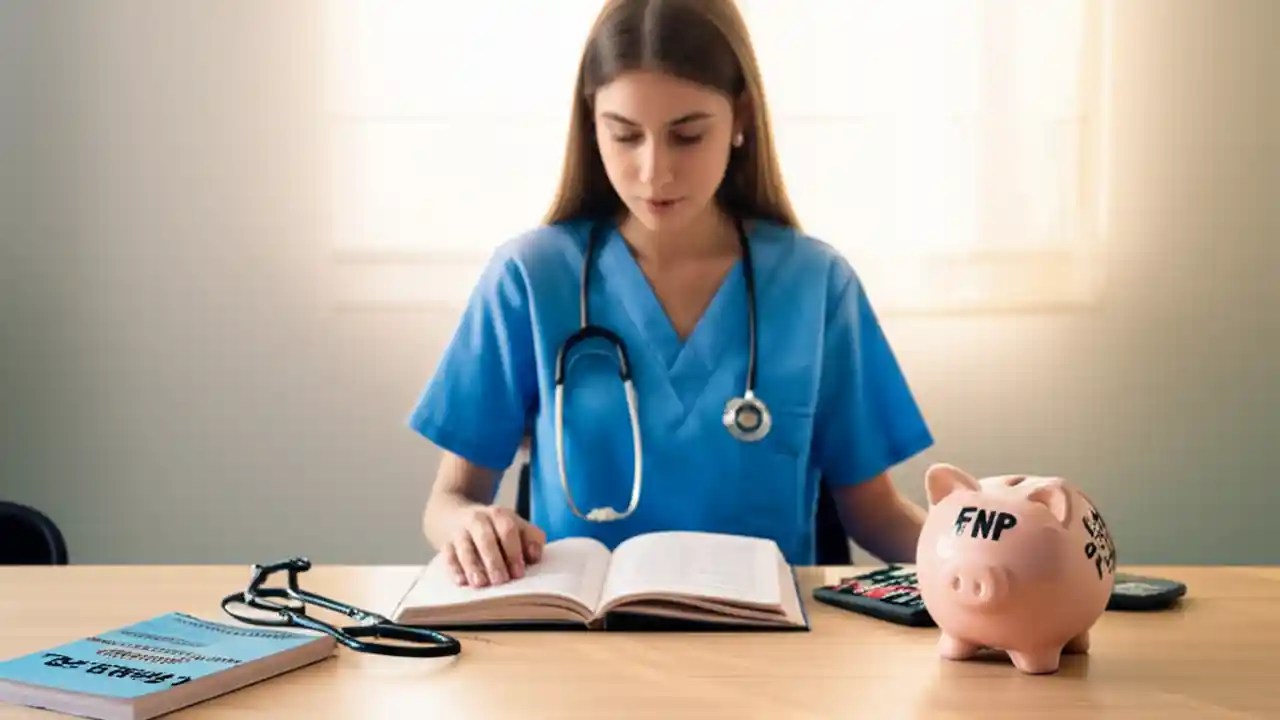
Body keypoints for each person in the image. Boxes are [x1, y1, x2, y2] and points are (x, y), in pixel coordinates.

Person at [410, 0, 934, 588]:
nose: (654, 171)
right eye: (625, 135)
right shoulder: (529, 278)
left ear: (740, 118)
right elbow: (449, 501)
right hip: (578, 650)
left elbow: (877, 514)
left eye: (686, 136)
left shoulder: (816, 285)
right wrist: (469, 526)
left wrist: (998, 543)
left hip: (770, 654)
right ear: (591, 125)